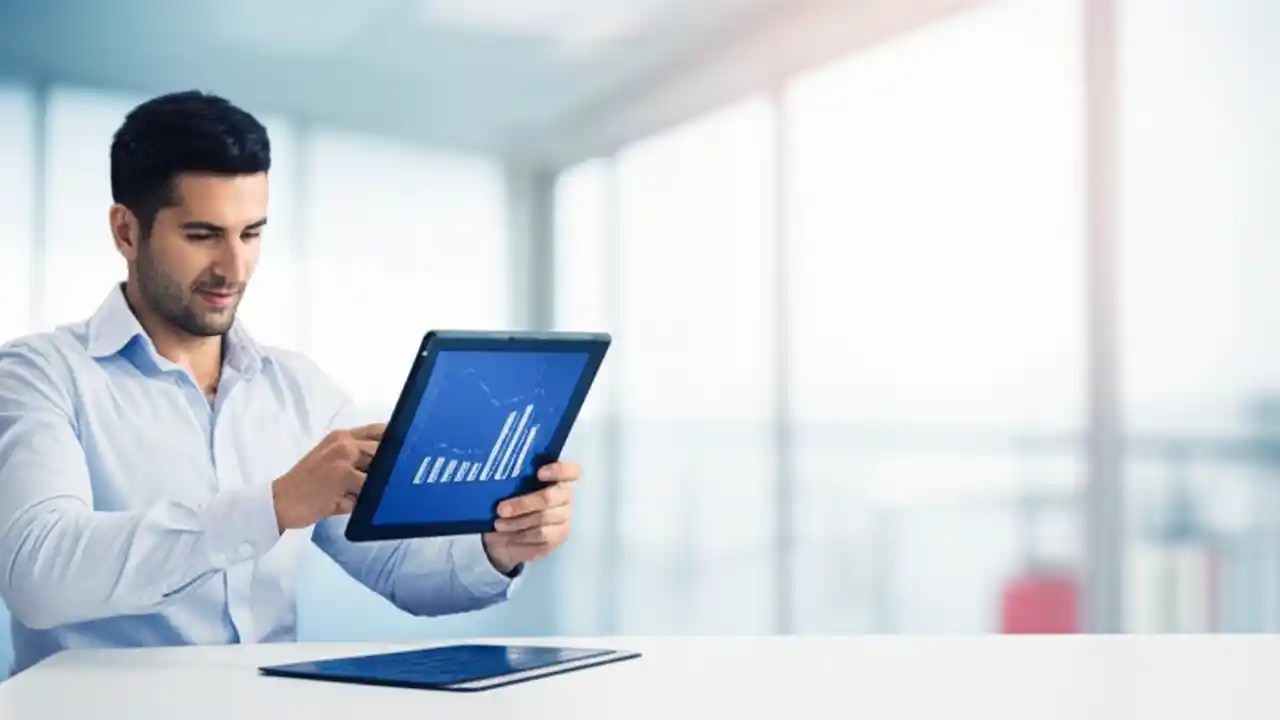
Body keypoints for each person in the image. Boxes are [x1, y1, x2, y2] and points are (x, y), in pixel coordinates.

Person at [0, 90, 580, 676]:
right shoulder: (38, 376)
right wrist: (272, 506)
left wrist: (499, 548)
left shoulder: (302, 391)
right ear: (126, 232)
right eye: (203, 235)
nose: (235, 268)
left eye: (251, 233)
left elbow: (399, 569)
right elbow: (39, 577)